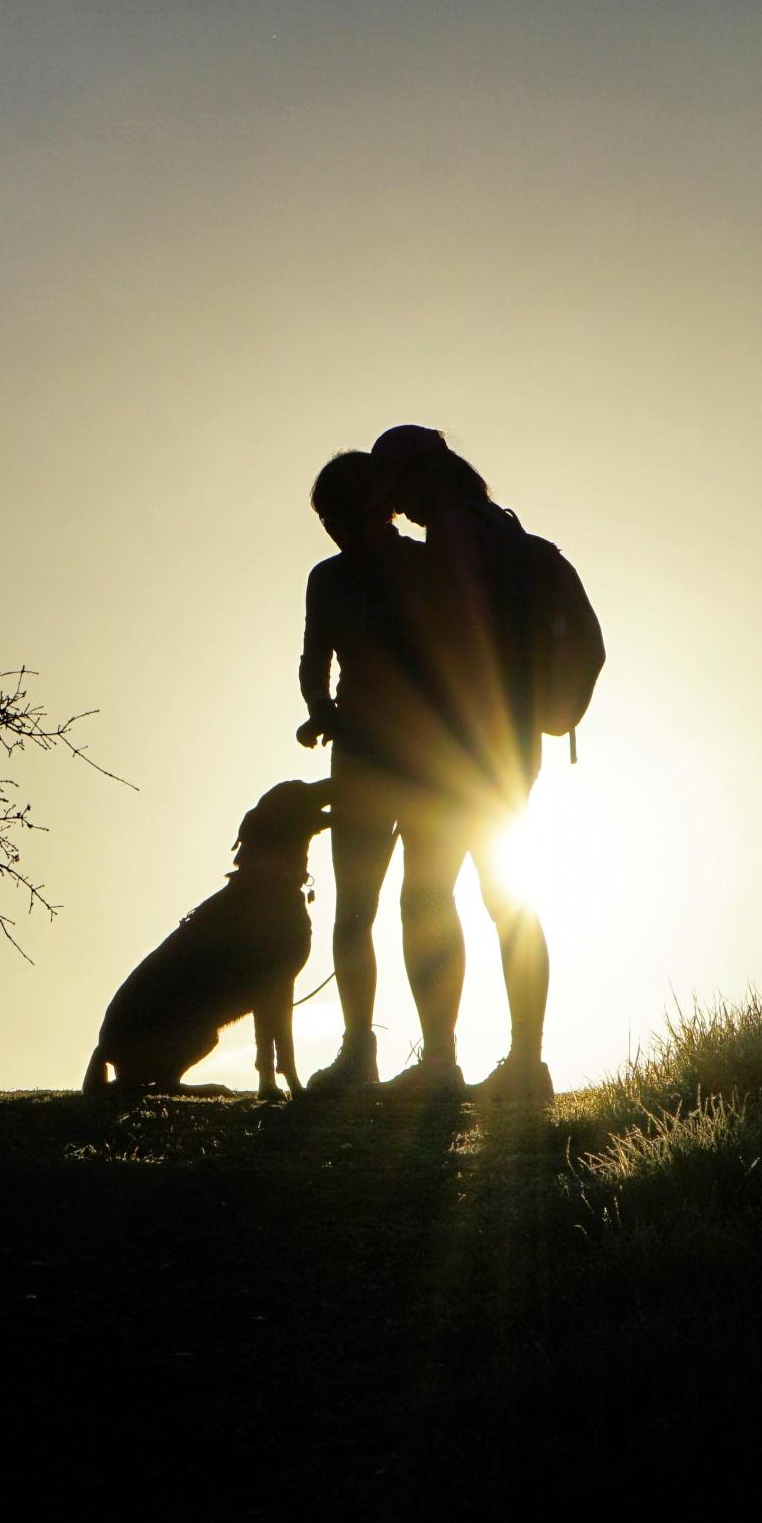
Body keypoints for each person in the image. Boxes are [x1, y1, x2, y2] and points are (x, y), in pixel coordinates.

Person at [370, 425, 553, 1102]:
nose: (398, 511)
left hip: (459, 744)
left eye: (398, 493)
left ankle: (441, 1064)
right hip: (512, 738)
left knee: (425, 897)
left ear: (423, 475)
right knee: (507, 898)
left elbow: (460, 638)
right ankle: (527, 1062)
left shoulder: (451, 533)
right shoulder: (498, 526)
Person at [297, 452, 432, 1093]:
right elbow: (312, 660)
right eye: (325, 516)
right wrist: (320, 710)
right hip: (368, 754)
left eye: (340, 512)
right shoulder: (328, 579)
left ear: (380, 507)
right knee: (357, 910)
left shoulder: (425, 565)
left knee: (423, 903)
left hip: (426, 757)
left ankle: (438, 1056)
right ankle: (361, 1051)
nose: (332, 527)